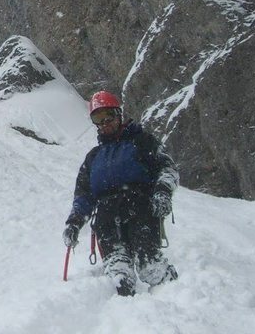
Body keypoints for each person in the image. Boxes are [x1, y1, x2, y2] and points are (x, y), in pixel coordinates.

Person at [62, 90, 179, 296]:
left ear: (118, 114)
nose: (104, 122)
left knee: (149, 265)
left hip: (139, 209)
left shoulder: (141, 142)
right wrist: (74, 222)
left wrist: (162, 191)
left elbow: (166, 168)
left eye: (108, 116)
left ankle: (178, 299)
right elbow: (84, 194)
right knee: (118, 276)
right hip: (106, 219)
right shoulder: (93, 157)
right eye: (98, 118)